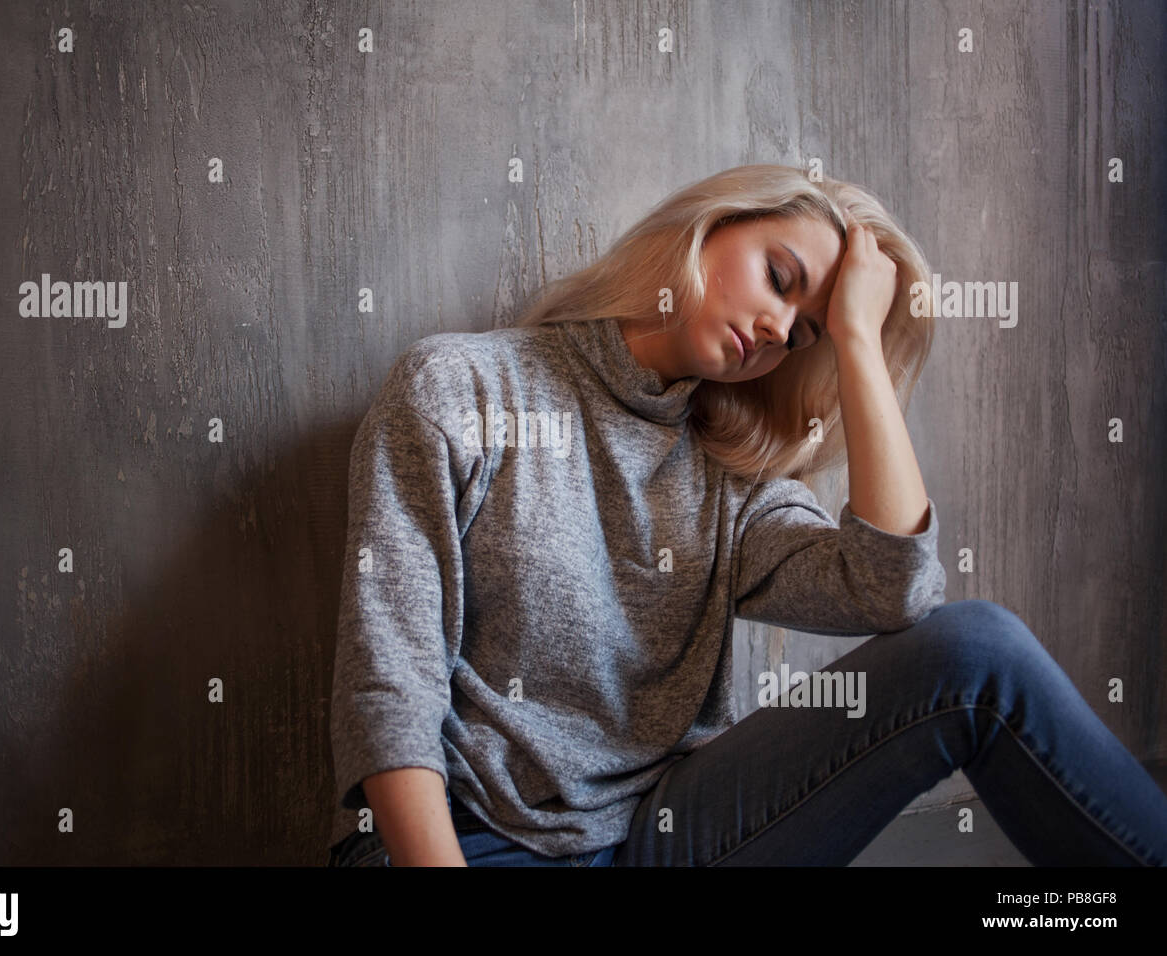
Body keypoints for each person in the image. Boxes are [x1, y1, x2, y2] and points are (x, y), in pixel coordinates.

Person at [326, 164, 1167, 866]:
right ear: (713, 223)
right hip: (469, 843)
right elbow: (389, 683)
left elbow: (892, 593)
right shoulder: (462, 388)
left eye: (804, 334)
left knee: (978, 649)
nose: (774, 329)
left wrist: (860, 344)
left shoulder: (731, 475)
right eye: (779, 278)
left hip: (663, 836)